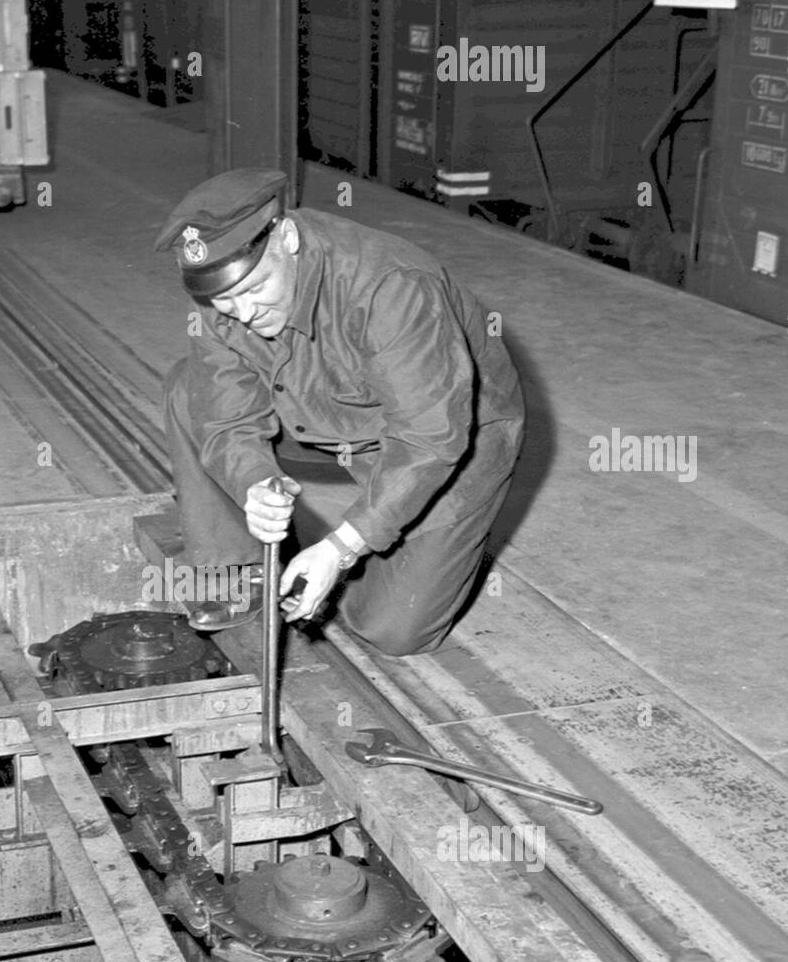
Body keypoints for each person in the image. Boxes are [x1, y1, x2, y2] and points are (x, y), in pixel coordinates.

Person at [154, 167, 525, 657]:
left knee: (394, 631)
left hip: (445, 438)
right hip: (319, 411)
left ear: (286, 238)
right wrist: (255, 485)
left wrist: (341, 547)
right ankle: (241, 571)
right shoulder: (225, 292)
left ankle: (448, 539)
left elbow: (429, 438)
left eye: (254, 290)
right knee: (189, 388)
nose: (241, 313)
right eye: (224, 300)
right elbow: (226, 418)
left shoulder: (390, 288)